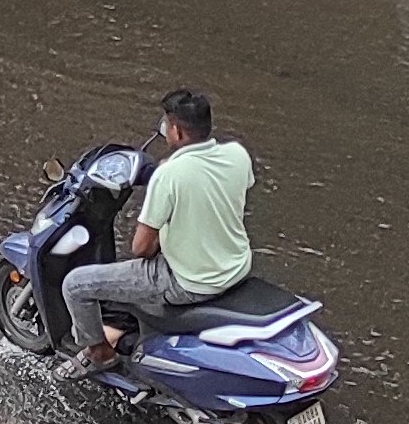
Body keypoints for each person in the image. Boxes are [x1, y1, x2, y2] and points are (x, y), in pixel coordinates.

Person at [54, 88, 257, 381]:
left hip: (189, 282)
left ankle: (99, 355)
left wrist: (165, 181)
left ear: (175, 130)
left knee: (76, 285)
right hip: (235, 267)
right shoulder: (238, 154)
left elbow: (141, 248)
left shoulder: (169, 176)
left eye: (167, 124)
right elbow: (218, 193)